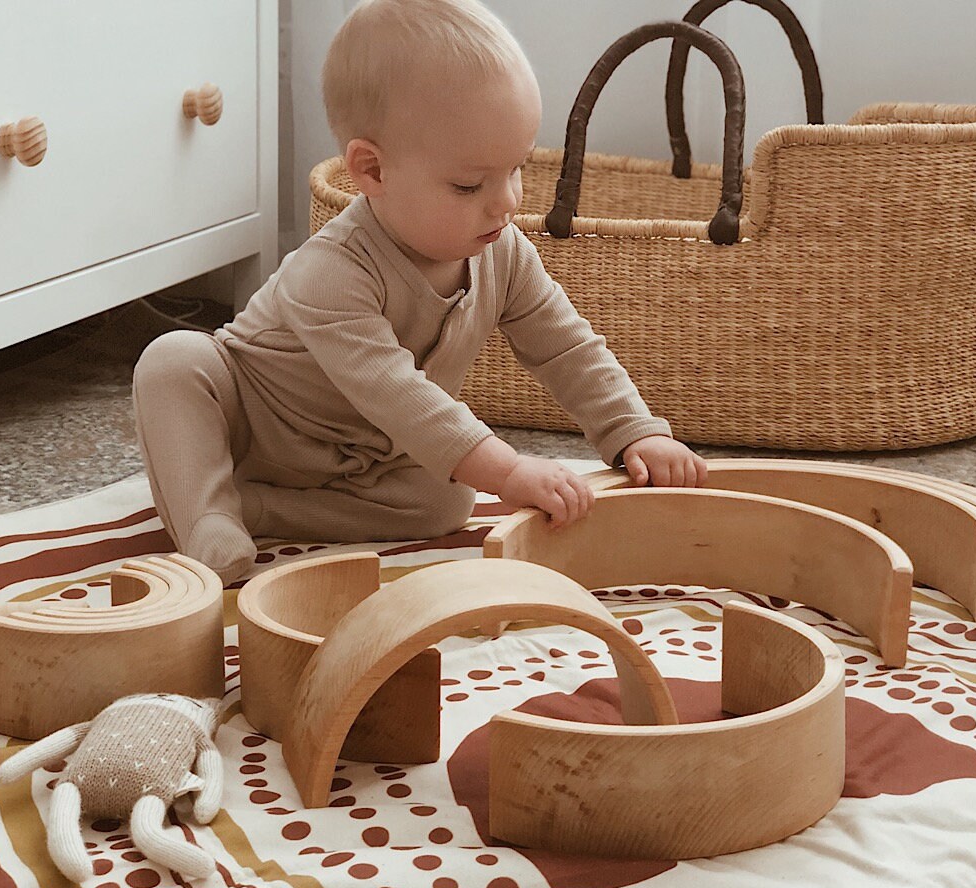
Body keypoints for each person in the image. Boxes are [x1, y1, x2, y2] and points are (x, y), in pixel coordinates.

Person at [132, 0, 708, 585]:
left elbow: (567, 347)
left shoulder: (504, 253)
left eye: (516, 168)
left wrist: (634, 430)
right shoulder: (330, 272)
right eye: (469, 185)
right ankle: (206, 514)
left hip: (367, 459)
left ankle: (256, 508)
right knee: (175, 362)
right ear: (373, 171)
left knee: (445, 501)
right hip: (250, 424)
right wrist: (507, 471)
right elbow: (396, 392)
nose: (507, 201)